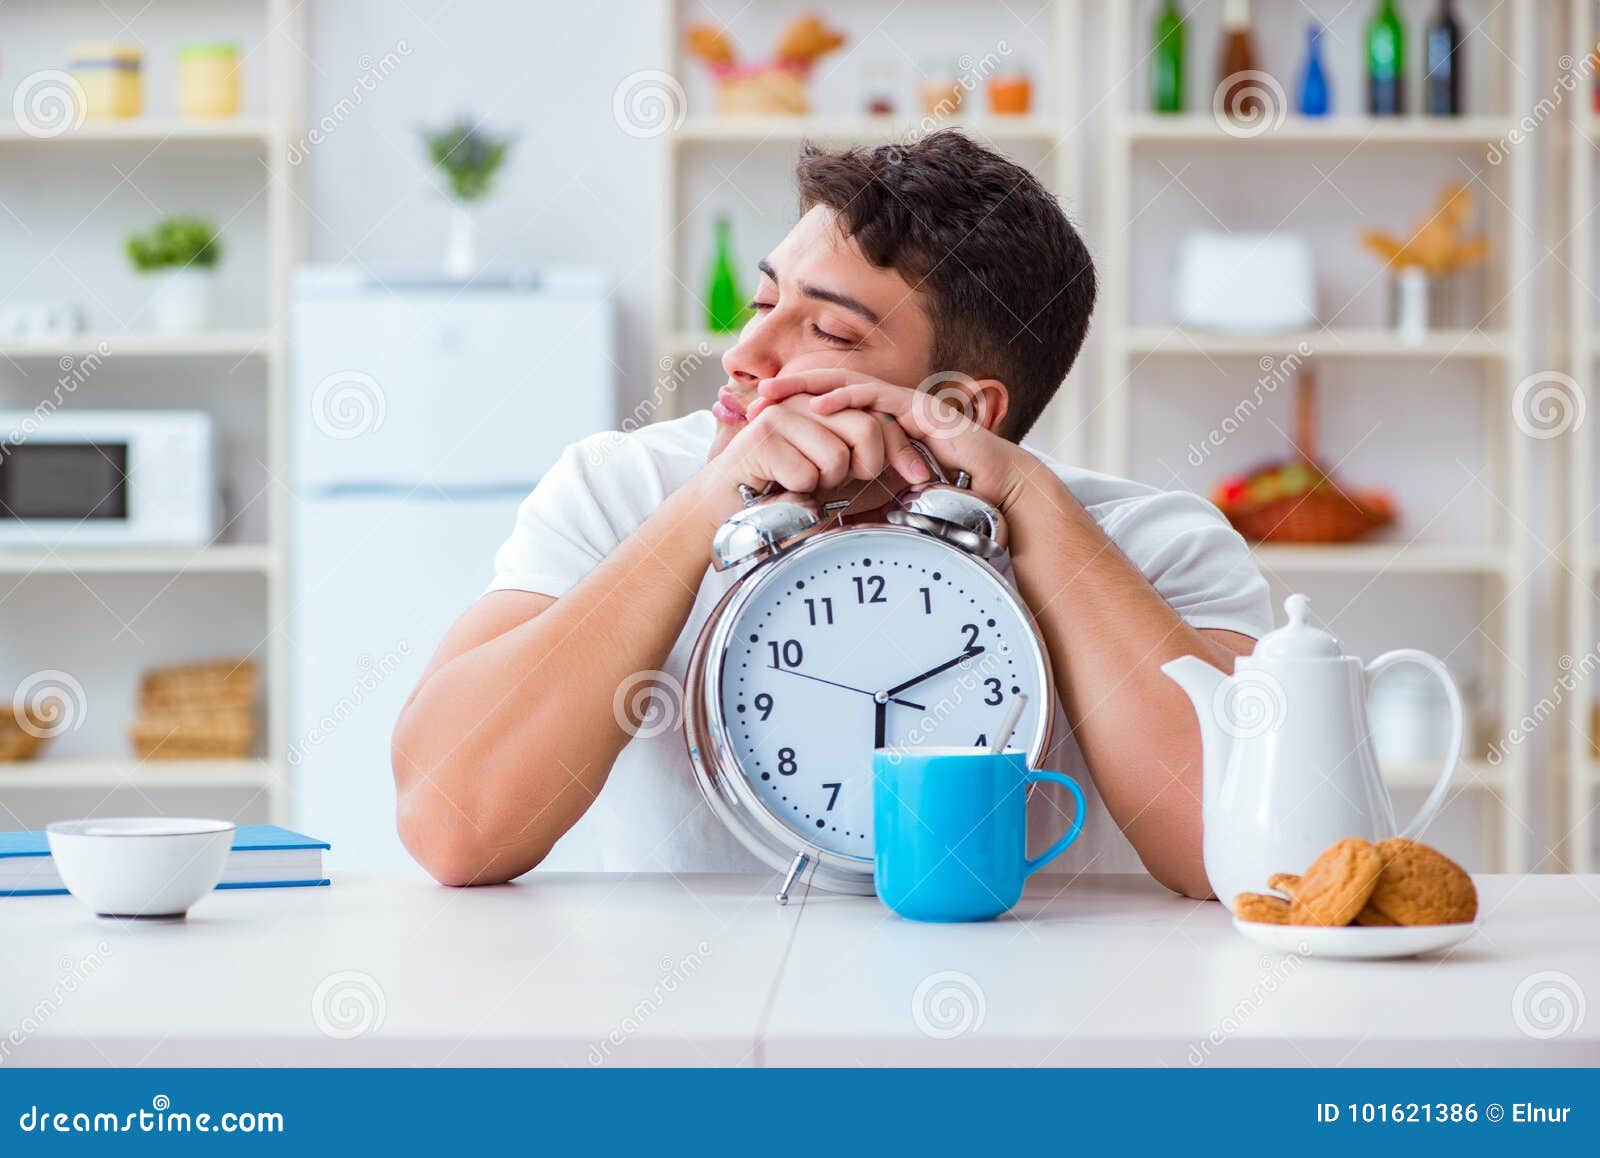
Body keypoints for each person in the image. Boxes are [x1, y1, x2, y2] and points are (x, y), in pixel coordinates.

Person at [392, 130, 1269, 898]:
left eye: (831, 334)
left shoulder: (1159, 548)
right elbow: (452, 827)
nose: (745, 353)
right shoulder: (619, 491)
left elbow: (1239, 854)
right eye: (765, 302)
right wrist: (705, 504)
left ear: (960, 404)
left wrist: (1032, 503)